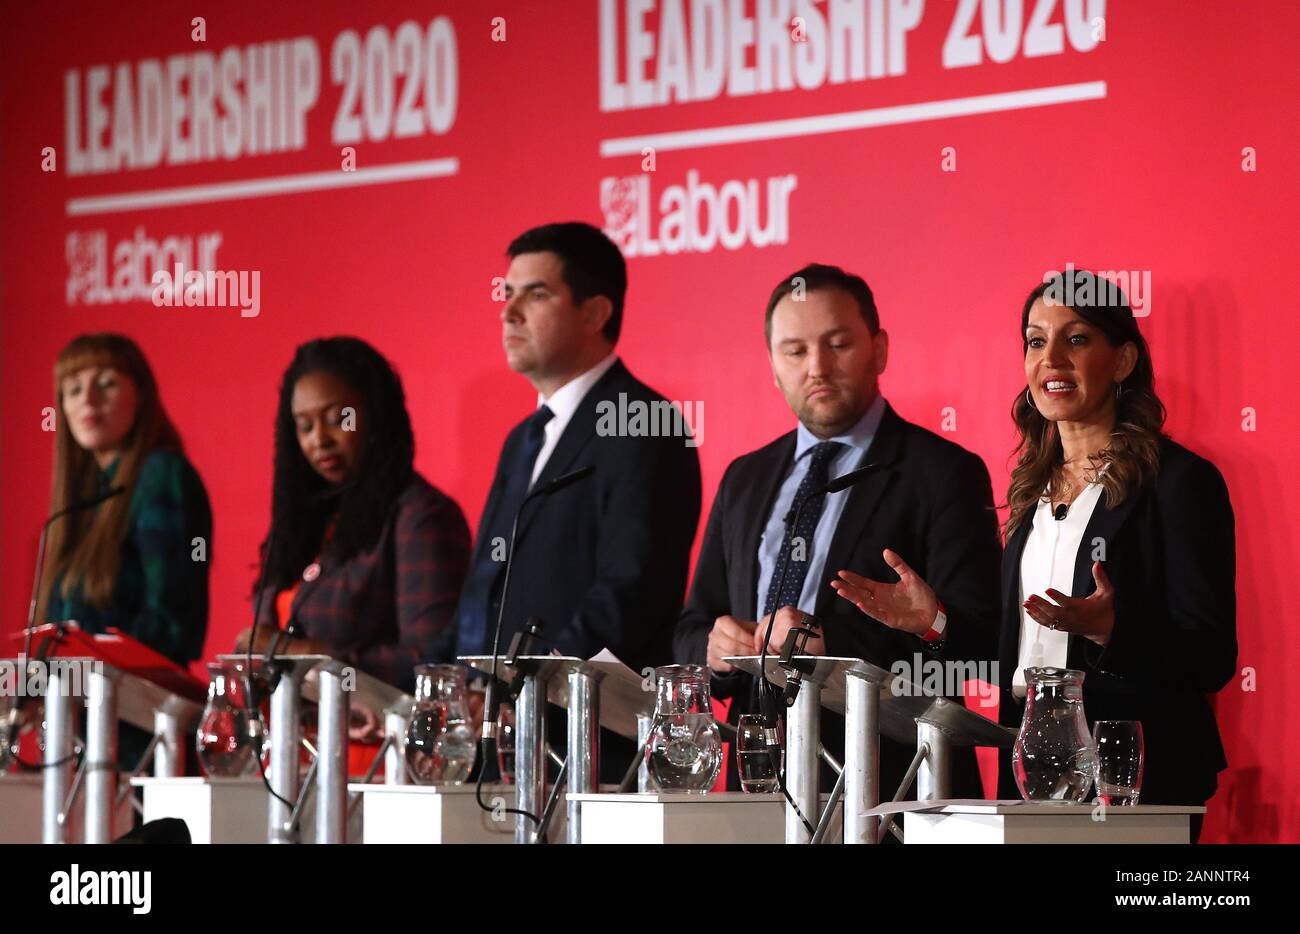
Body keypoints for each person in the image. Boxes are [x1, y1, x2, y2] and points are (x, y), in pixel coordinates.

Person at [833, 269, 1236, 839]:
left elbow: (1212, 655)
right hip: (1031, 772)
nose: (1052, 359)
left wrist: (1110, 630)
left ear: (1121, 361)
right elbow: (1017, 654)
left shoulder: (1179, 483)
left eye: (1076, 339)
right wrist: (934, 622)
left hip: (1135, 778)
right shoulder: (1031, 493)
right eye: (1036, 341)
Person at [674, 264, 1002, 798]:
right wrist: (716, 649)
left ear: (880, 349)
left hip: (895, 784)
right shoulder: (745, 477)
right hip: (758, 778)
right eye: (795, 351)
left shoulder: (943, 471)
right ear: (774, 368)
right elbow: (690, 626)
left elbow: (977, 639)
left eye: (839, 344)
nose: (818, 368)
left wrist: (832, 649)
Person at [453, 222, 702, 778]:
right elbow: (486, 588)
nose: (509, 311)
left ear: (595, 313)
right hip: (500, 739)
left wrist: (524, 687)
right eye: (507, 293)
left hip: (588, 749)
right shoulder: (524, 437)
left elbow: (631, 593)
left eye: (535, 294)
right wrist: (456, 687)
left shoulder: (646, 424)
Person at [234, 337, 471, 698]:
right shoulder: (307, 518)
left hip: (372, 746)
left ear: (375, 414)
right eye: (305, 426)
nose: (320, 441)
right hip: (287, 740)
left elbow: (430, 663)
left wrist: (301, 654)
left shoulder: (420, 516)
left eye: (336, 419)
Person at [36, 333, 212, 767]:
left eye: (107, 382)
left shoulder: (162, 475)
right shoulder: (79, 504)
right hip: (85, 738)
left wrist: (87, 662)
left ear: (142, 393)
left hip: (146, 741)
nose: (88, 399)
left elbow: (171, 624)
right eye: (73, 388)